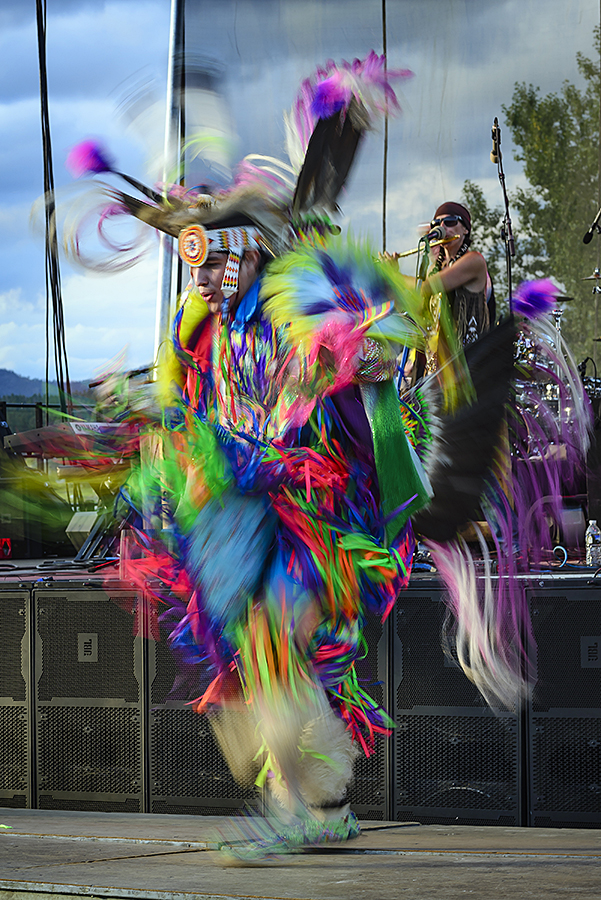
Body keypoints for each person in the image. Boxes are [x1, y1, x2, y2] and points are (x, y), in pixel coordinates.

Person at [56, 54, 589, 861]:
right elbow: (192, 413)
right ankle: (315, 804)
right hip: (253, 515)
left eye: (217, 259)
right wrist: (138, 410)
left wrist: (356, 351)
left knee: (276, 643)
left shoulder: (297, 300)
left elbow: (386, 333)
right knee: (254, 656)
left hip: (324, 521)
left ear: (250, 252)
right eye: (194, 264)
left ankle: (318, 795)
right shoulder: (200, 330)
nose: (204, 277)